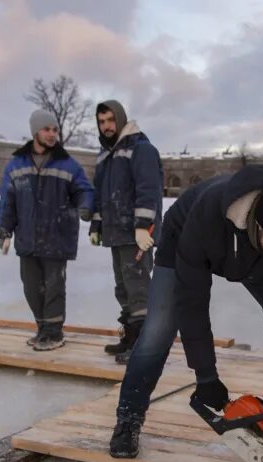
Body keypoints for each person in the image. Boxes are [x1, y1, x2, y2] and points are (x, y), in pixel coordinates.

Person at [109, 164, 263, 462]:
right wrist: (206, 376)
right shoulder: (207, 219)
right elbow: (193, 302)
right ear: (258, 227)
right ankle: (128, 418)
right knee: (158, 329)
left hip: (254, 254)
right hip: (187, 239)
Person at [0, 109, 95, 351]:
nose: (52, 134)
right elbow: (7, 201)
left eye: (55, 130)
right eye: (46, 129)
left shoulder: (68, 164)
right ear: (35, 132)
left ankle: (53, 332)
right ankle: (42, 328)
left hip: (57, 235)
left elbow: (84, 190)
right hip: (28, 238)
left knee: (53, 288)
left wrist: (85, 207)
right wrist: (3, 230)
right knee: (31, 288)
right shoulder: (16, 164)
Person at [89, 100, 163, 363]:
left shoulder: (141, 149)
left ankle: (144, 348)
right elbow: (100, 194)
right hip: (116, 234)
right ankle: (131, 339)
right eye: (101, 122)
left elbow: (148, 190)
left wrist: (143, 227)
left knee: (139, 289)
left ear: (120, 119)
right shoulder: (105, 154)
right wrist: (96, 225)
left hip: (137, 236)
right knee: (124, 289)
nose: (106, 126)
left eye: (110, 120)